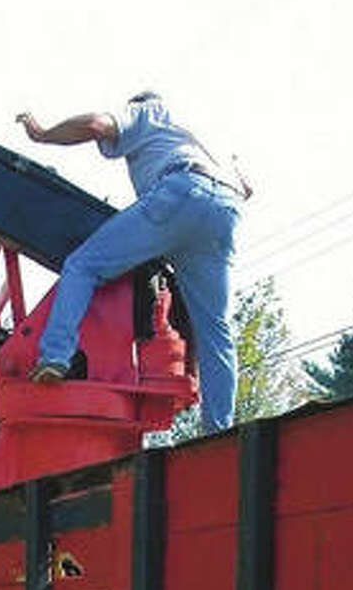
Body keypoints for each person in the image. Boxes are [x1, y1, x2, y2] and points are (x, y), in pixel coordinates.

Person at [15, 92, 251, 433]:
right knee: (215, 329)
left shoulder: (150, 110)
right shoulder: (204, 130)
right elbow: (247, 188)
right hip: (225, 213)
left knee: (83, 266)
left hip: (181, 191)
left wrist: (42, 133)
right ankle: (220, 429)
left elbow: (97, 124)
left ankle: (54, 357)